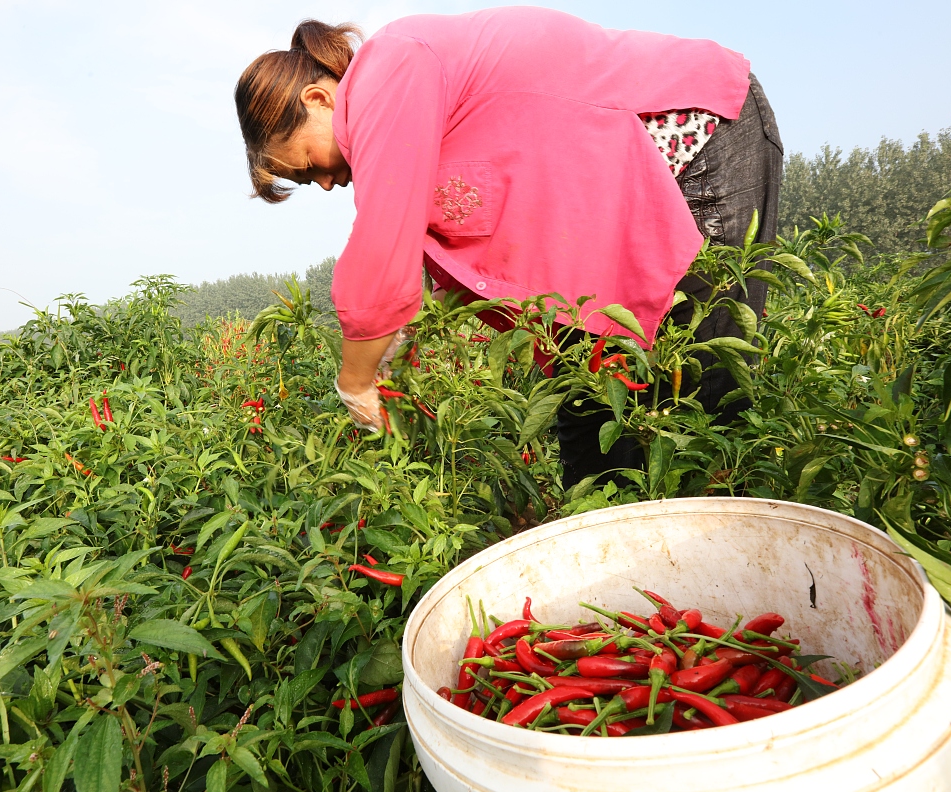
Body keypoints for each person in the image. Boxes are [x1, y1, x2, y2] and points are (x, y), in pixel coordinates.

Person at [234, 7, 782, 488]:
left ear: (318, 98)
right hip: (613, 210)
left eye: (306, 168)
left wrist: (354, 382)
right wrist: (403, 355)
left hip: (691, 136)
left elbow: (382, 246)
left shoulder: (390, 67)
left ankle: (716, 570)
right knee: (588, 410)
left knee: (702, 395)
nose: (326, 184)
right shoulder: (405, 112)